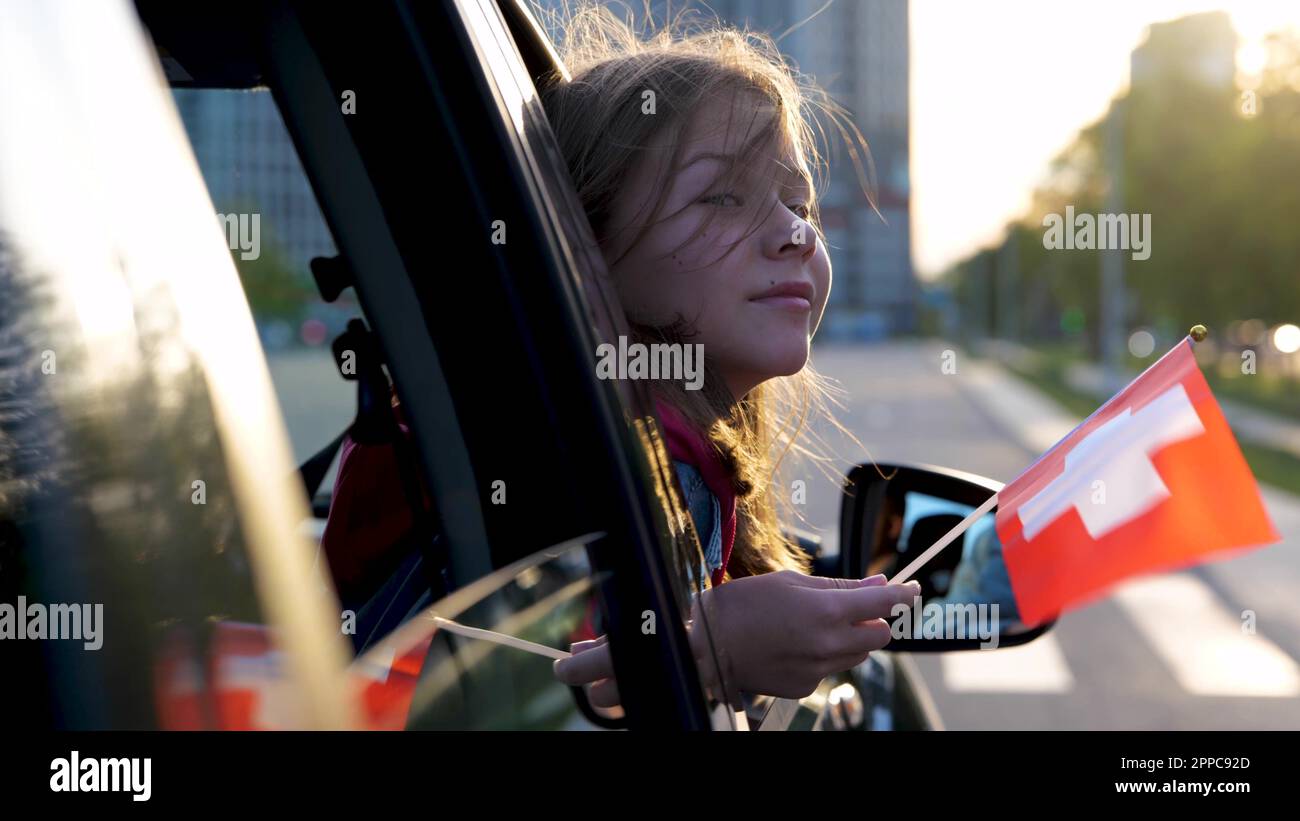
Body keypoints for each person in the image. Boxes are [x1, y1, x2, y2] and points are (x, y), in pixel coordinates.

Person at [543, 4, 919, 710]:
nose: (796, 234)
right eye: (722, 195)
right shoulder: (585, 461)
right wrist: (707, 649)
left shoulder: (666, 445)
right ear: (587, 249)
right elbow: (559, 689)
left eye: (800, 203)